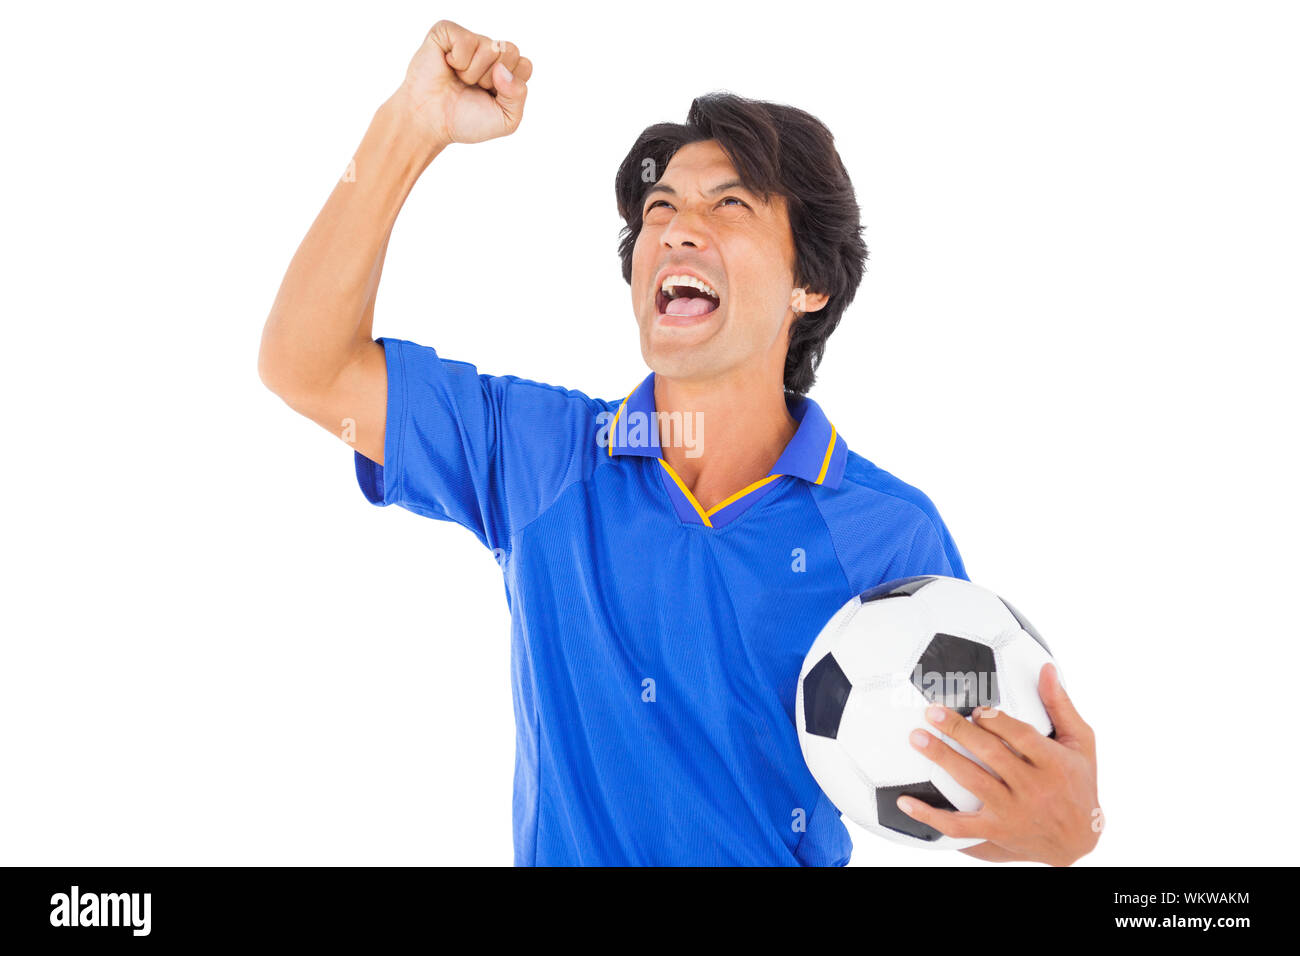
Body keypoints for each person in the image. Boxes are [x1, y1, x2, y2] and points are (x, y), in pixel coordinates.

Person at [258, 20, 1100, 866]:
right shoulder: (541, 457)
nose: (677, 227)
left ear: (809, 282)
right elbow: (306, 366)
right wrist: (412, 124)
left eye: (727, 203)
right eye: (661, 207)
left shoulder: (890, 534)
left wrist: (1067, 840)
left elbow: (985, 786)